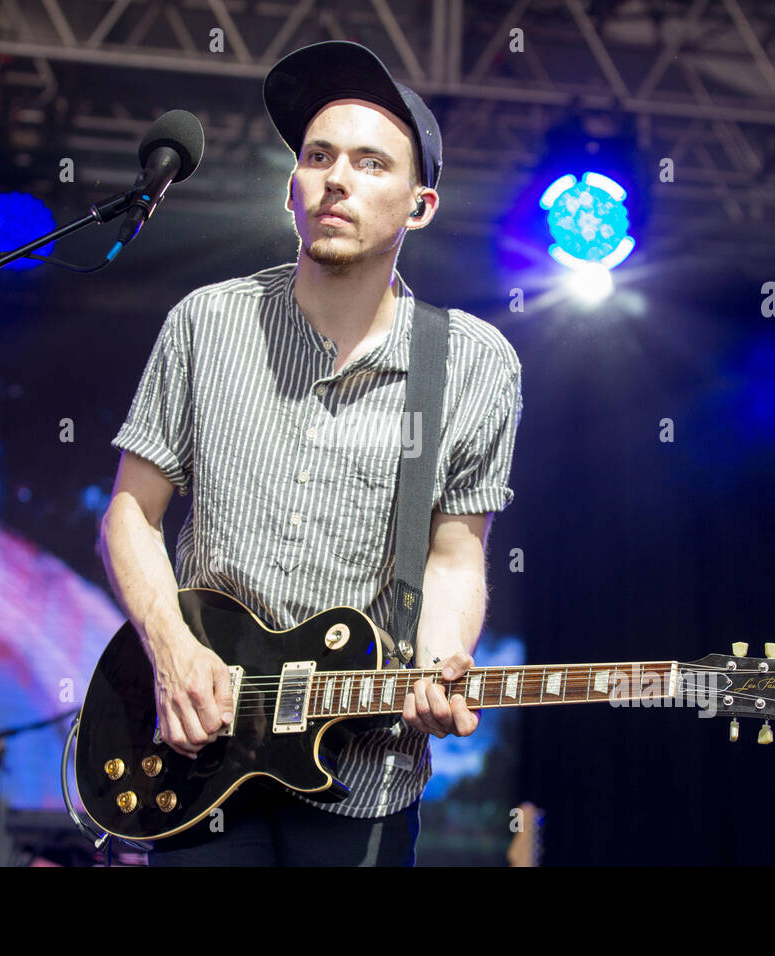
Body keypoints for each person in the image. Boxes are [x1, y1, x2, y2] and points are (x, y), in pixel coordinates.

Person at [98, 40, 523, 866]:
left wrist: (438, 663)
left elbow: (454, 558)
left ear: (420, 205)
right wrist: (172, 648)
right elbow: (132, 512)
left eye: (371, 163)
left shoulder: (473, 363)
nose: (337, 178)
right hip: (200, 755)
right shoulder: (206, 323)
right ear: (291, 185)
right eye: (318, 156)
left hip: (363, 773)